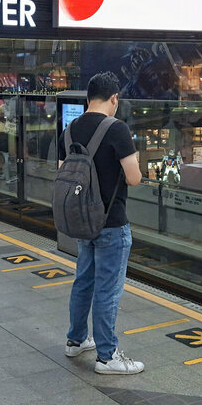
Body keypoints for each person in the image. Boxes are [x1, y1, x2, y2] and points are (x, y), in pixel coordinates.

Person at [57, 72, 144, 374]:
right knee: (108, 290)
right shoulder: (117, 129)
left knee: (83, 282)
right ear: (114, 99)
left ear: (87, 98)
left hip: (82, 222)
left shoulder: (69, 130)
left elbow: (64, 174)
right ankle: (107, 357)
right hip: (111, 223)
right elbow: (133, 178)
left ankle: (75, 340)